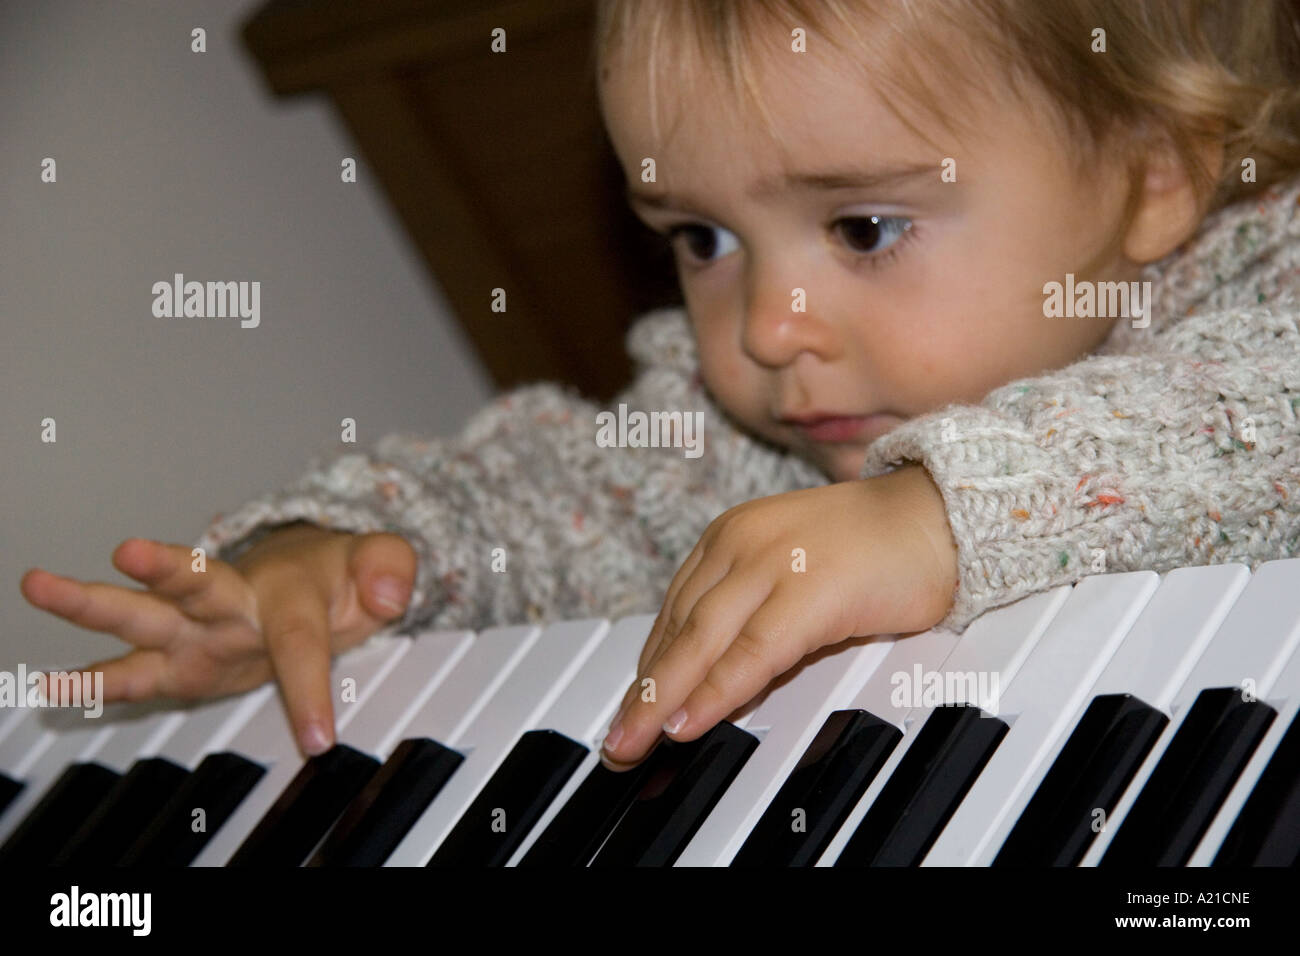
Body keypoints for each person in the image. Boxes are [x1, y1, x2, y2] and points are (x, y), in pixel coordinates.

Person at [21, 0, 1300, 776]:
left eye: (861, 227)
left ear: (1153, 178)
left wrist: (941, 512)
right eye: (703, 239)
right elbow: (547, 488)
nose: (767, 328)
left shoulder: (1259, 279)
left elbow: (1263, 412)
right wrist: (346, 556)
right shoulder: (726, 418)